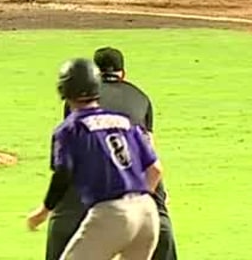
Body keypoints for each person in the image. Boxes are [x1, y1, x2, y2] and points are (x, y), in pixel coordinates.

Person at [44, 49, 176, 260]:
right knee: (161, 223)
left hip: (98, 179)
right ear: (122, 74)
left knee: (62, 217)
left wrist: (45, 209)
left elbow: (71, 160)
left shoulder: (75, 113)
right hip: (138, 179)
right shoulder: (141, 96)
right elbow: (151, 154)